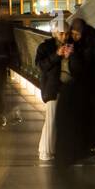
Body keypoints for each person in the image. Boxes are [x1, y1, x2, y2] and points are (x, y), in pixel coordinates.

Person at [51, 16, 95, 183]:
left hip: (89, 89)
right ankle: (84, 149)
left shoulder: (89, 44)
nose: (74, 37)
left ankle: (83, 149)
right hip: (87, 89)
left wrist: (72, 56)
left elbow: (83, 69)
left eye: (76, 34)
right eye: (72, 34)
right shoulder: (87, 41)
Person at [34, 25, 70, 162]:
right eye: (61, 33)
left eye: (66, 34)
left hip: (65, 87)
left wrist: (69, 57)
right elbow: (40, 66)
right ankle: (46, 152)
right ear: (54, 33)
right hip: (52, 88)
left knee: (56, 119)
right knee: (52, 119)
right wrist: (57, 55)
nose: (64, 36)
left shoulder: (70, 45)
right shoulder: (45, 47)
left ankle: (49, 149)